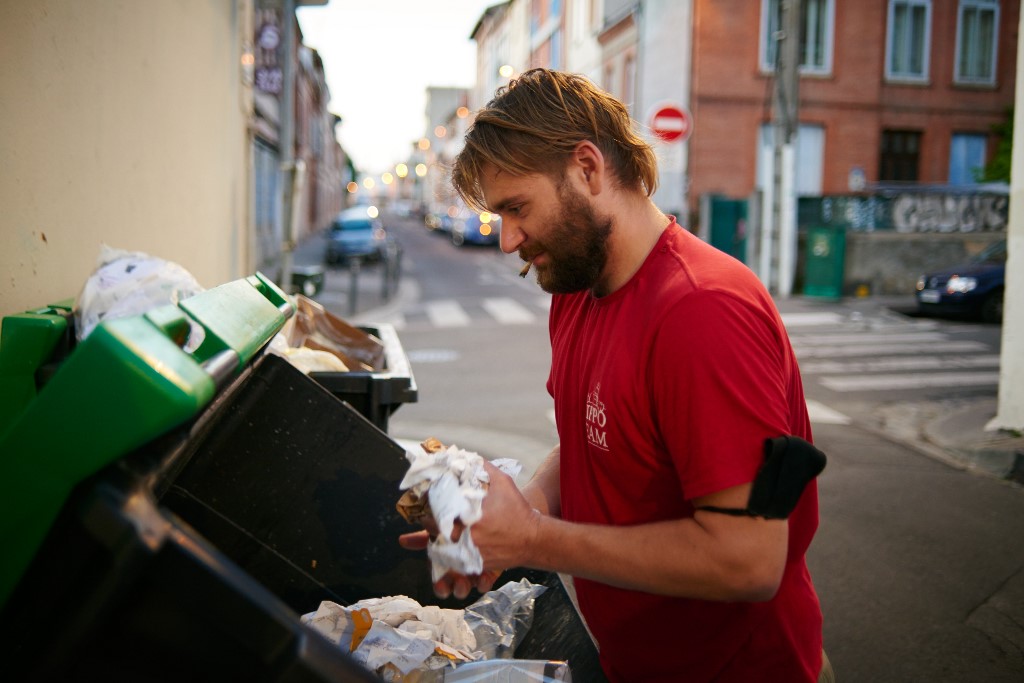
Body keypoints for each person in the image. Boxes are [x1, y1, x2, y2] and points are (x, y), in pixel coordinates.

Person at [399, 68, 827, 682]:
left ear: (588, 169)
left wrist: (533, 540)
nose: (507, 239)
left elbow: (748, 562)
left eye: (516, 208)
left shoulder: (702, 310)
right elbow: (592, 446)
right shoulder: (578, 284)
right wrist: (507, 517)